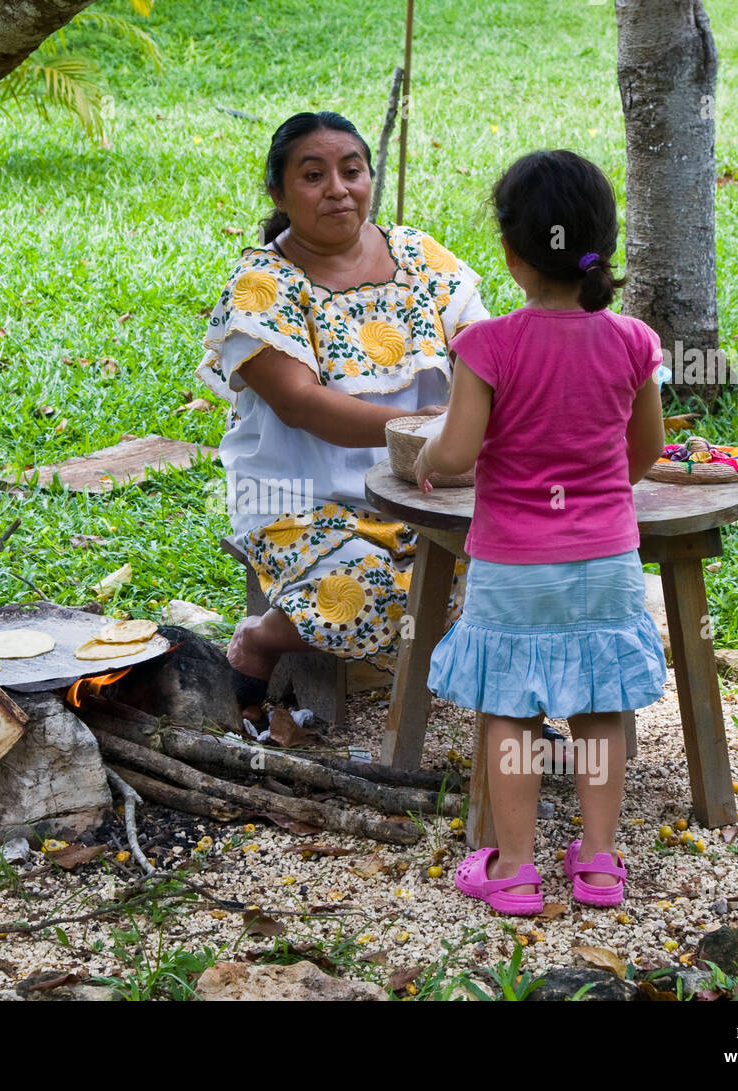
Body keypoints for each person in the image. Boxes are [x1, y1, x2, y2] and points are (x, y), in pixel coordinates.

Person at [414, 149, 668, 915]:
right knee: (598, 705)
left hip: (514, 564)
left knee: (512, 710)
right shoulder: (633, 340)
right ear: (603, 243)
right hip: (605, 559)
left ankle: (516, 869)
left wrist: (427, 453)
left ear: (512, 256)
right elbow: (645, 451)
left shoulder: (488, 345)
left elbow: (456, 454)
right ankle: (596, 863)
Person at [197, 111, 490, 716]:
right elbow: (300, 404)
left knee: (517, 575)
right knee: (364, 595)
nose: (338, 189)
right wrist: (430, 431)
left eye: (352, 171)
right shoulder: (262, 285)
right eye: (313, 175)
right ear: (278, 192)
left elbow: (488, 357)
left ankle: (511, 718)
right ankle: (259, 639)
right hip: (299, 497)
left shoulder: (421, 258)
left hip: (430, 489)